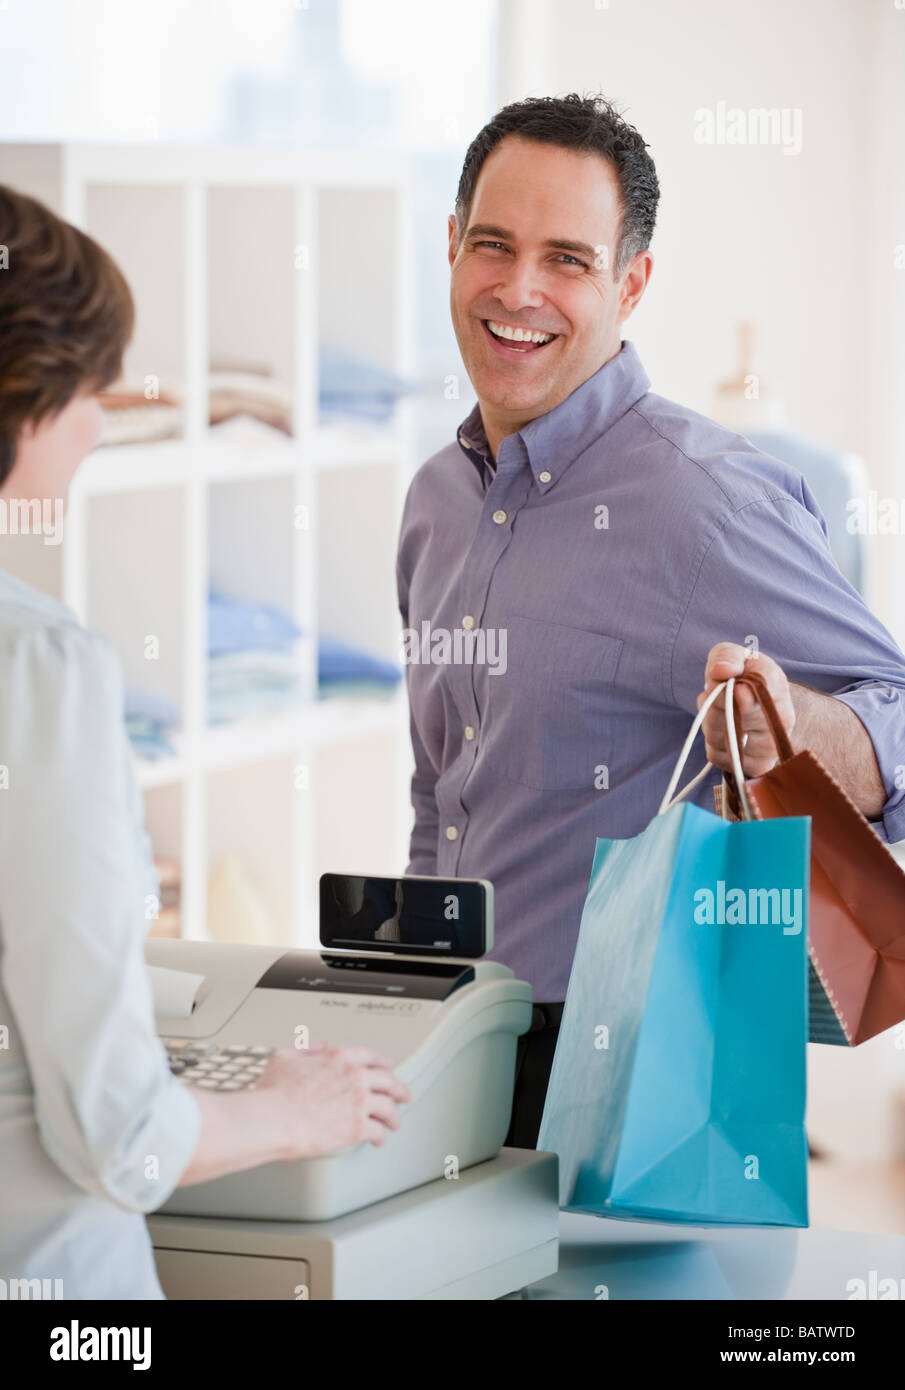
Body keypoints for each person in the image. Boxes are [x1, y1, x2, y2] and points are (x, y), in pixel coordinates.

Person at [395, 93, 905, 1148]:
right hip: (452, 1049)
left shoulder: (701, 503)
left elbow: (895, 708)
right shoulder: (435, 503)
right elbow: (437, 792)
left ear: (630, 283)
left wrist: (799, 732)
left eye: (567, 260)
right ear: (450, 248)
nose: (518, 289)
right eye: (491, 244)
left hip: (638, 1070)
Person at [0, 185, 410, 1299]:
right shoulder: (37, 667)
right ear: (28, 393)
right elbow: (117, 1135)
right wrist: (288, 1108)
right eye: (90, 390)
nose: (97, 423)